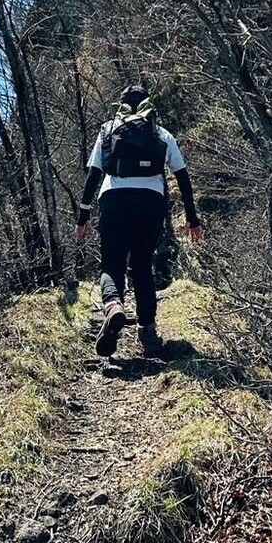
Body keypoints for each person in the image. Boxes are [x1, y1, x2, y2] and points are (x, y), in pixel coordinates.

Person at [75, 83, 203, 358]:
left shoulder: (108, 129)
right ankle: (148, 334)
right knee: (143, 266)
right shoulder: (161, 133)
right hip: (151, 201)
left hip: (114, 198)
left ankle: (113, 307)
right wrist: (193, 218)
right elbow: (182, 176)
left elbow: (94, 175)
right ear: (148, 104)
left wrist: (82, 215)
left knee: (112, 262)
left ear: (121, 105)